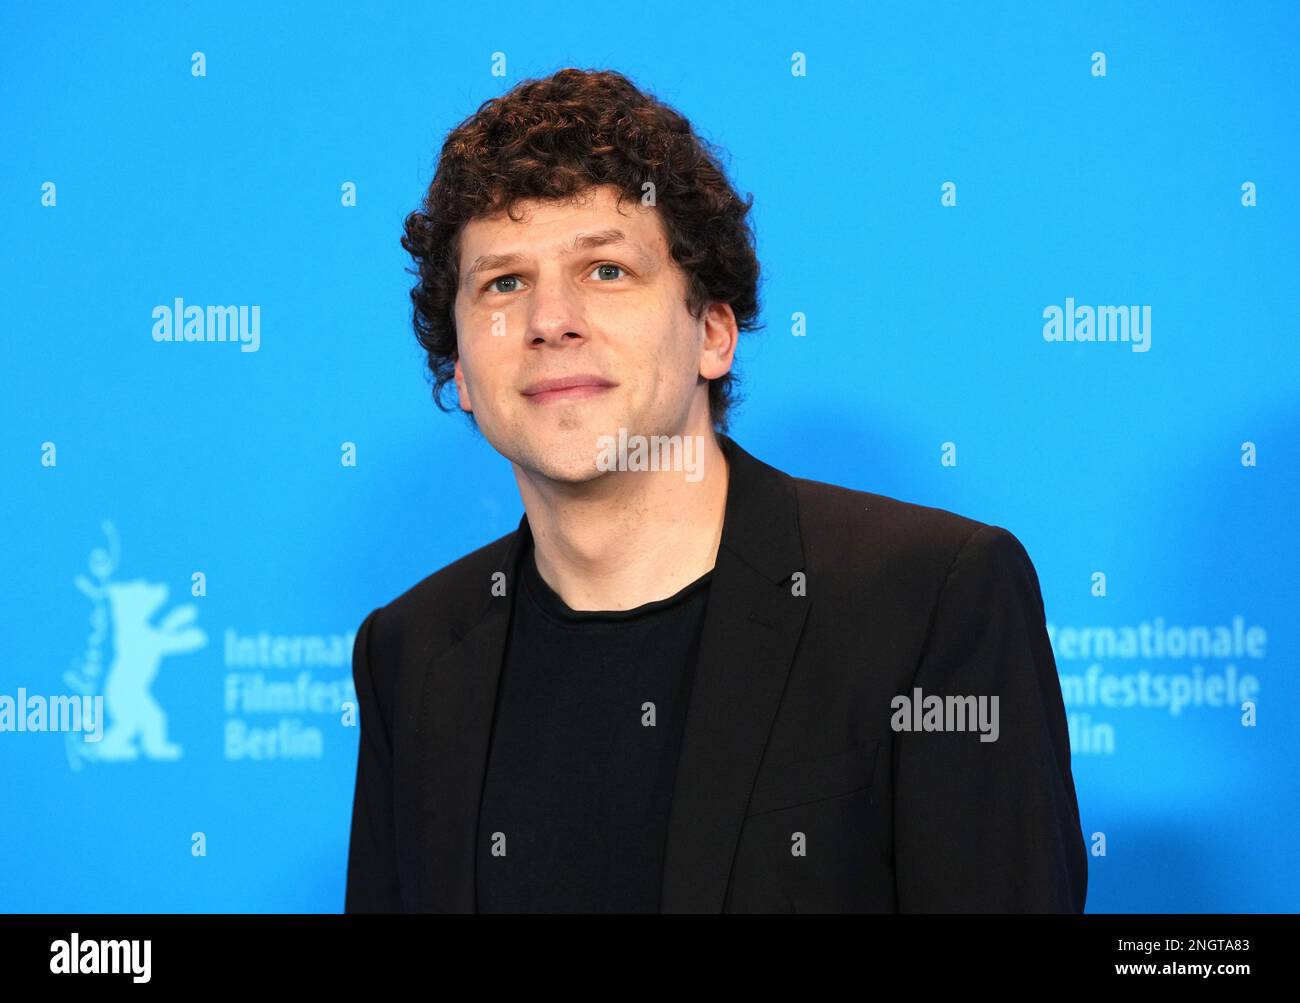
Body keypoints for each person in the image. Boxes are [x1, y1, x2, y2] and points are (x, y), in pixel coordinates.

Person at [344, 67, 1087, 913]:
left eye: (606, 270)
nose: (550, 318)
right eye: (503, 283)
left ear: (713, 333)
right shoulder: (411, 653)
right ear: (461, 371)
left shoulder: (931, 599)